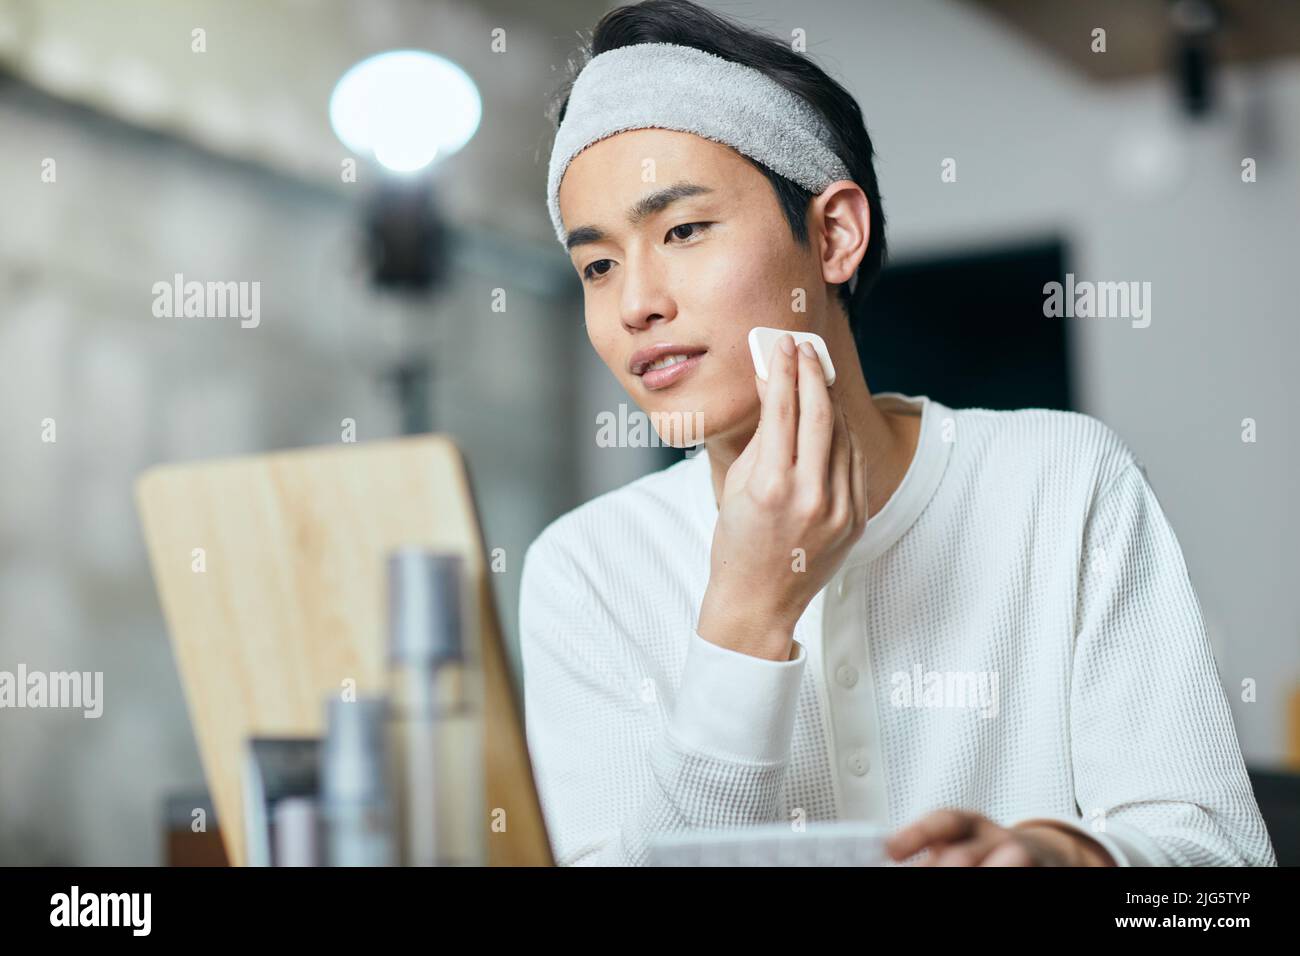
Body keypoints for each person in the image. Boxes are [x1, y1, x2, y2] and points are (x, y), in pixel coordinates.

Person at [518, 0, 1276, 867]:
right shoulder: (586, 572)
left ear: (834, 234)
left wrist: (1064, 859)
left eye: (684, 230)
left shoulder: (1062, 481)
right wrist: (747, 614)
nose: (635, 304)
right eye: (598, 265)